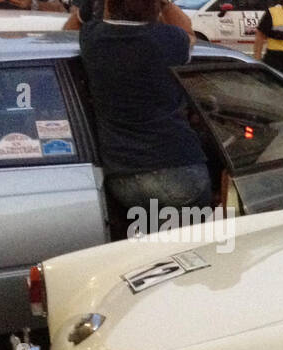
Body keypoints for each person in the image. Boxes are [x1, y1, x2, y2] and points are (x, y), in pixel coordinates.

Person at [77, 0, 211, 226]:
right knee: (191, 250)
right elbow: (188, 30)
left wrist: (85, 9)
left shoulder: (91, 37)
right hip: (177, 169)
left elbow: (65, 33)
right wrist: (166, 3)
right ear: (155, 7)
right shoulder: (169, 40)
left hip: (123, 179)